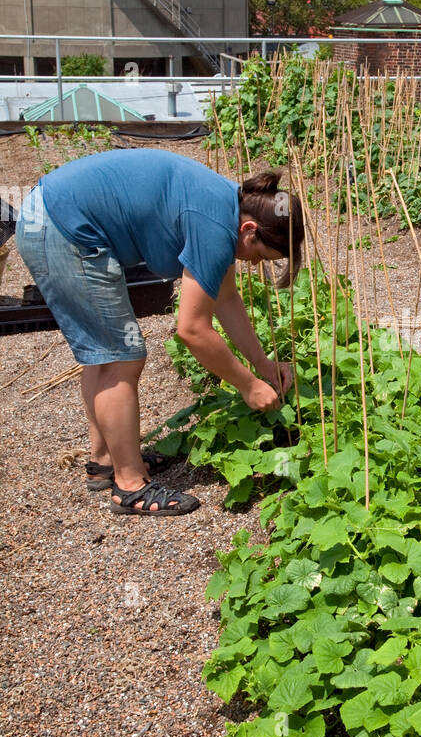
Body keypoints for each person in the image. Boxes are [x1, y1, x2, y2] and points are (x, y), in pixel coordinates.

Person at [16, 148, 304, 517]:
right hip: (64, 229)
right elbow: (192, 330)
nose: (255, 263)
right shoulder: (215, 225)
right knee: (121, 356)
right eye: (262, 256)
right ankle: (130, 485)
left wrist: (263, 364)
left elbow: (226, 298)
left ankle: (106, 460)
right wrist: (248, 385)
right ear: (249, 230)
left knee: (106, 354)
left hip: (53, 214)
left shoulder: (231, 206)